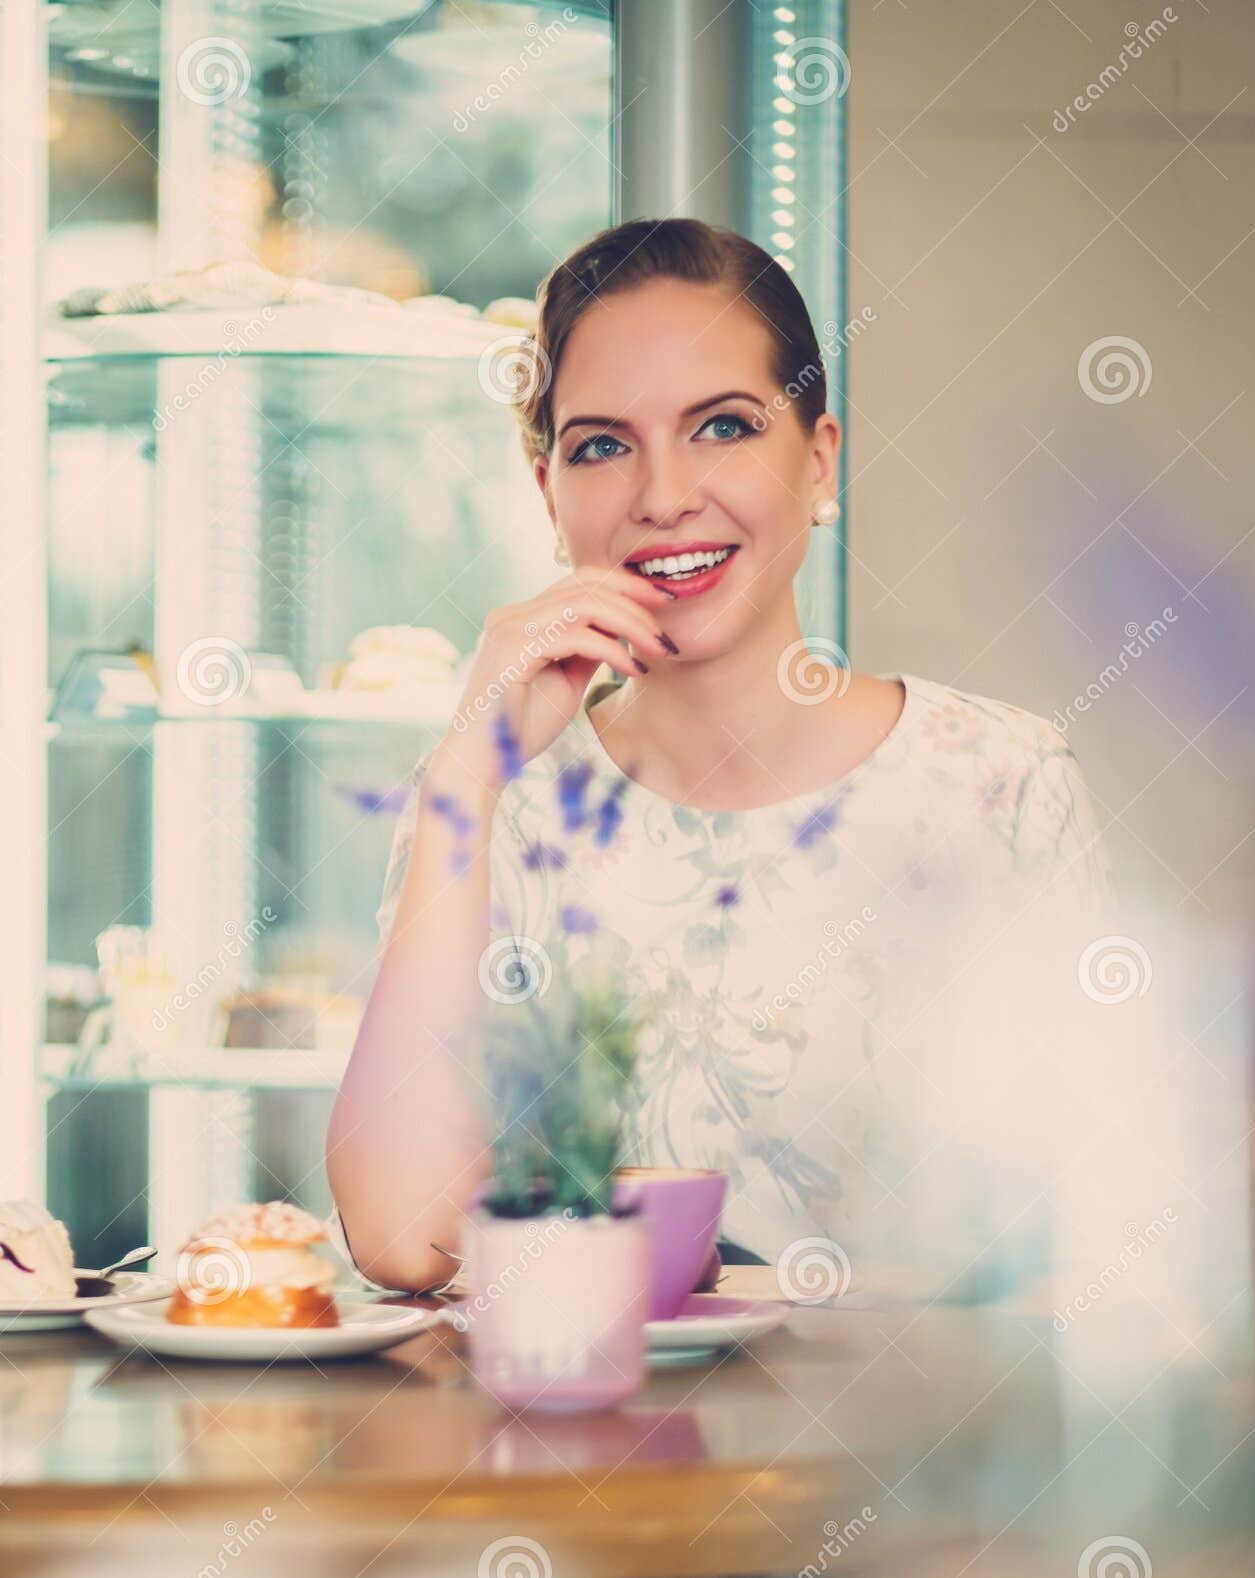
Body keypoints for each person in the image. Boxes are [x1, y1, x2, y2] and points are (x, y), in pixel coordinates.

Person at [324, 217, 1117, 1297]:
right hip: (572, 1457)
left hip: (907, 1454)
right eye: (601, 444)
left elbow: (1085, 1239)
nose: (662, 495)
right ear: (549, 496)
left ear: (819, 460)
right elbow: (401, 1234)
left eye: (724, 426)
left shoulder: (997, 783)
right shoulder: (494, 809)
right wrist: (464, 771)